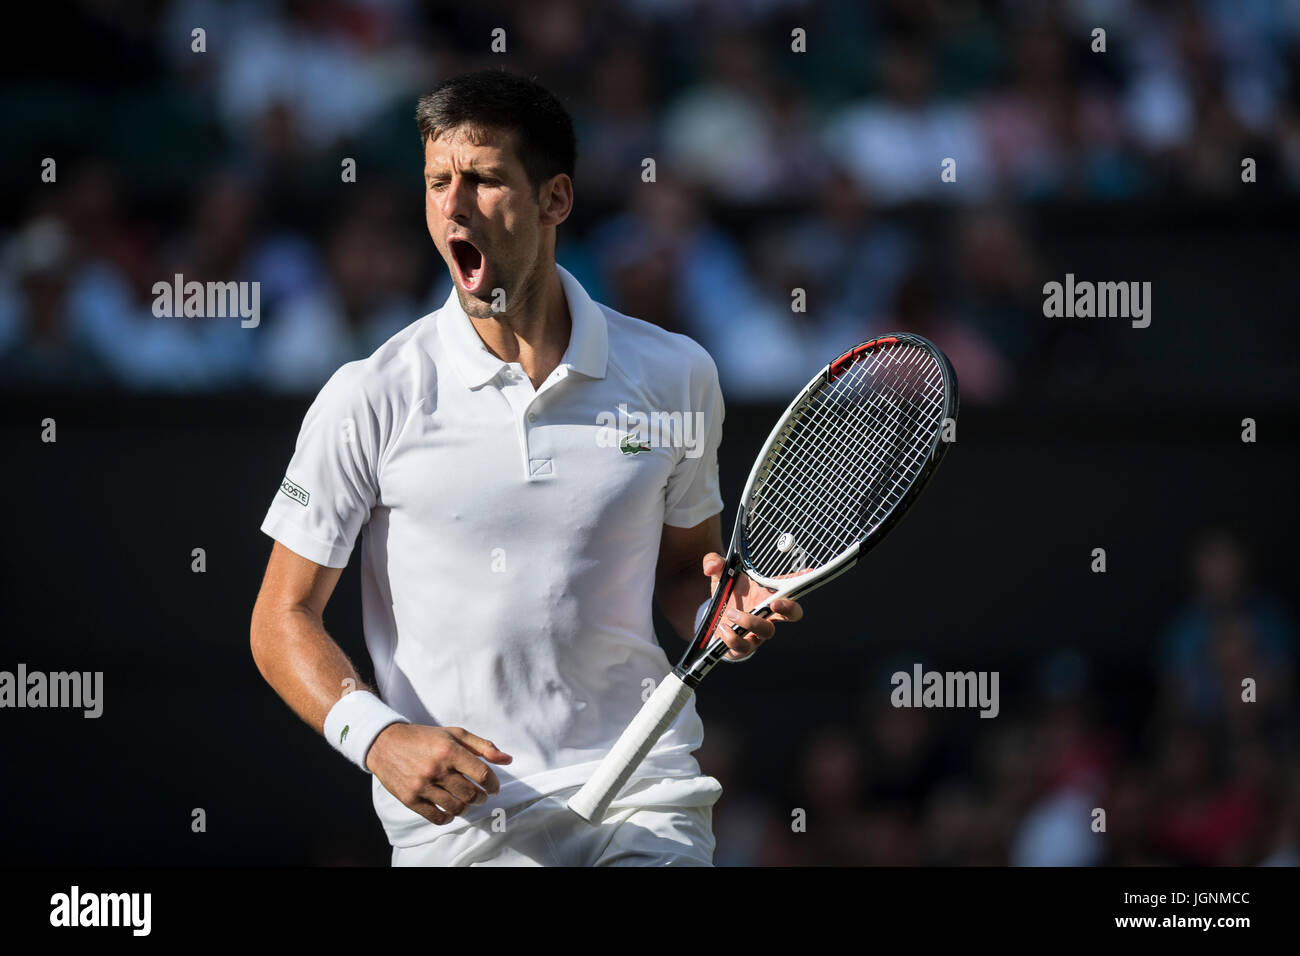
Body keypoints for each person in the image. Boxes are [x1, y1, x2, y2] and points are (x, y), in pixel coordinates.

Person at [249, 69, 802, 866]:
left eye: (484, 179)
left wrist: (725, 612)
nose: (453, 205)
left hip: (645, 791)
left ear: (555, 201)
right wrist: (379, 738)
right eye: (438, 182)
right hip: (462, 823)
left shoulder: (678, 374)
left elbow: (687, 573)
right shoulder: (367, 396)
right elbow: (281, 618)